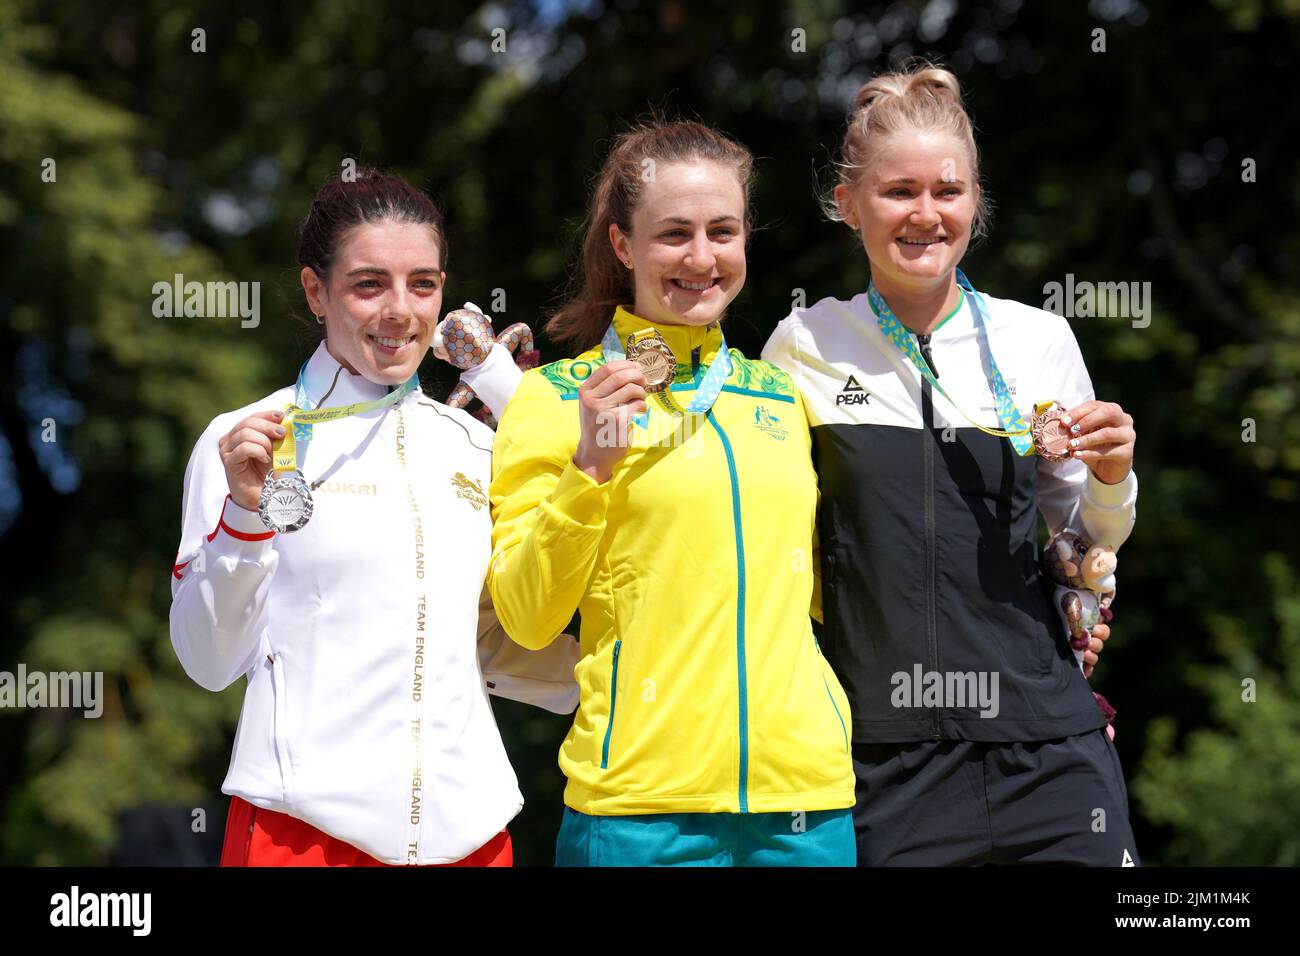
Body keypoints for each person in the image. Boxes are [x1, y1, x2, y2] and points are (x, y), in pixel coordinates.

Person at [762, 64, 1140, 865]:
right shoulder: (804, 347)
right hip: (885, 761)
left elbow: (1089, 541)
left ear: (976, 200)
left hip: (1049, 747)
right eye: (899, 191)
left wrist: (1112, 479)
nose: (926, 214)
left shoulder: (1039, 339)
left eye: (949, 190)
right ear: (848, 203)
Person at [169, 168, 576, 867]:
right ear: (314, 290)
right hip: (300, 838)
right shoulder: (248, 439)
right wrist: (243, 514)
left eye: (423, 284)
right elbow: (209, 663)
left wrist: (504, 385)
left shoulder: (478, 445)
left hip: (473, 838)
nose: (401, 310)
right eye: (368, 285)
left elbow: (524, 621)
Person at [486, 121, 857, 866]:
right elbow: (526, 618)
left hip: (806, 811)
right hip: (638, 815)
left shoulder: (782, 397)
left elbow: (841, 591)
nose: (701, 258)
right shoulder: (556, 399)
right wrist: (588, 468)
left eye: (722, 231)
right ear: (623, 246)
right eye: (673, 234)